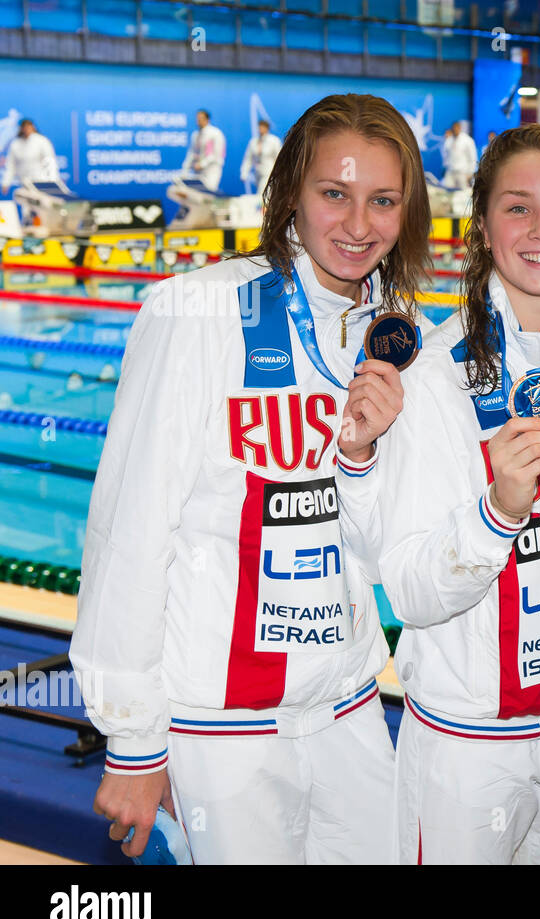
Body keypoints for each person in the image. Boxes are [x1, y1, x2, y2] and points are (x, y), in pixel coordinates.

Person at [71, 92, 432, 863]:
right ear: (290, 194)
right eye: (334, 194)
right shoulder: (194, 314)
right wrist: (133, 738)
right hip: (219, 725)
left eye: (383, 201)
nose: (358, 225)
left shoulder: (402, 341)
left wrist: (368, 457)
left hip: (350, 705)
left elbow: (390, 547)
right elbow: (129, 530)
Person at [335, 125, 540, 864]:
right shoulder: (436, 378)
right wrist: (497, 511)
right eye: (517, 208)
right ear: (482, 228)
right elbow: (408, 588)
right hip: (474, 755)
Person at [1, 117, 59, 193]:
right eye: (24, 127)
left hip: (41, 181)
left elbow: (50, 162)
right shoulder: (15, 144)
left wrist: (53, 181)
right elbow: (11, 165)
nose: (26, 129)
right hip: (25, 182)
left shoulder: (42, 141)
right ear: (21, 129)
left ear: (33, 127)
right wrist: (6, 182)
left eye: (28, 127)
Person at [183, 108, 226, 192]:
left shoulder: (215, 133)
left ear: (207, 119)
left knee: (208, 194)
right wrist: (185, 170)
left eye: (201, 118)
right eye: (197, 118)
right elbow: (191, 153)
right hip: (199, 172)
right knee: (196, 195)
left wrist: (202, 164)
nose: (198, 120)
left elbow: (217, 154)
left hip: (212, 170)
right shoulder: (195, 135)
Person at [239, 118, 282, 198]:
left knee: (263, 193)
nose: (260, 129)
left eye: (263, 127)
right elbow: (248, 158)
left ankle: (263, 210)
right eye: (259, 127)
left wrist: (279, 173)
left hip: (269, 171)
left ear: (267, 128)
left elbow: (279, 158)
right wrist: (244, 172)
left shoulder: (274, 141)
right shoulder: (254, 141)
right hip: (258, 172)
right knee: (260, 193)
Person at [443, 120, 478, 189]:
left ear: (460, 128)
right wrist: (445, 167)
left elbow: (473, 157)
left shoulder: (467, 140)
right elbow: (446, 156)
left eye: (457, 128)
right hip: (451, 171)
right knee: (446, 191)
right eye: (453, 128)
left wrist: (471, 173)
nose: (455, 129)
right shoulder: (449, 141)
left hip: (462, 172)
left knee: (463, 193)